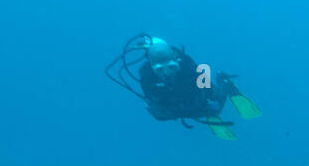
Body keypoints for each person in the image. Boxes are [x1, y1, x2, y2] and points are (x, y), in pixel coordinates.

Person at [104, 34, 261, 139]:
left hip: (199, 92)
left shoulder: (187, 66)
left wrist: (204, 99)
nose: (167, 73)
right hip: (177, 104)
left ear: (176, 63)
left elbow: (204, 83)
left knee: (214, 107)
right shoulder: (146, 75)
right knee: (161, 116)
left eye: (171, 67)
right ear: (152, 68)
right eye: (160, 69)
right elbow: (152, 100)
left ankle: (225, 82)